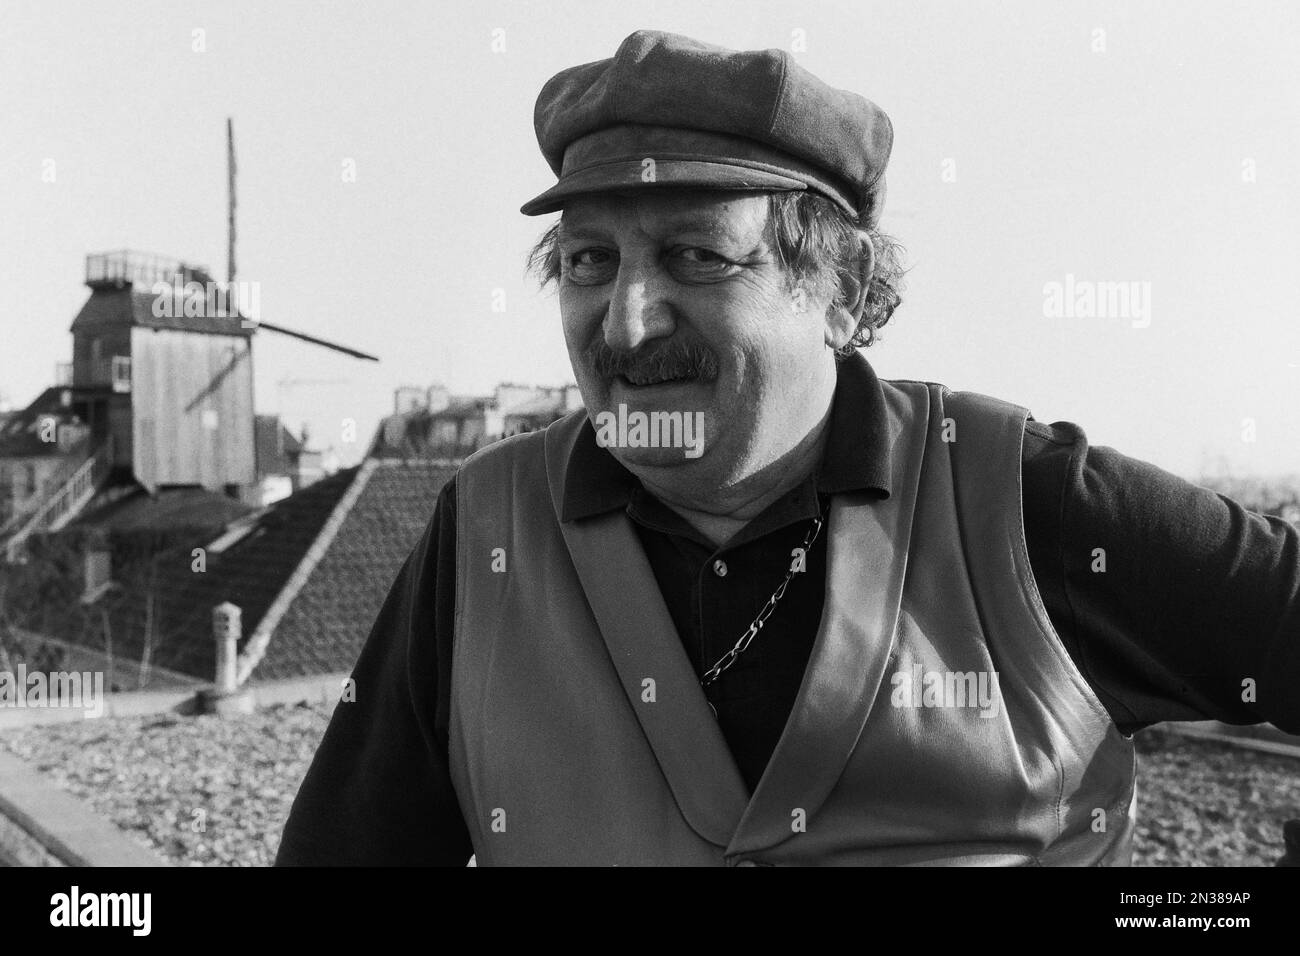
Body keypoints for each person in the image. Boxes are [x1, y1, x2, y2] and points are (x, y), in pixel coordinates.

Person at [276, 30, 1300, 866]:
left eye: (694, 254)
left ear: (841, 292)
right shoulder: (484, 530)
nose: (627, 323)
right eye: (590, 260)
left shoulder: (1024, 506)